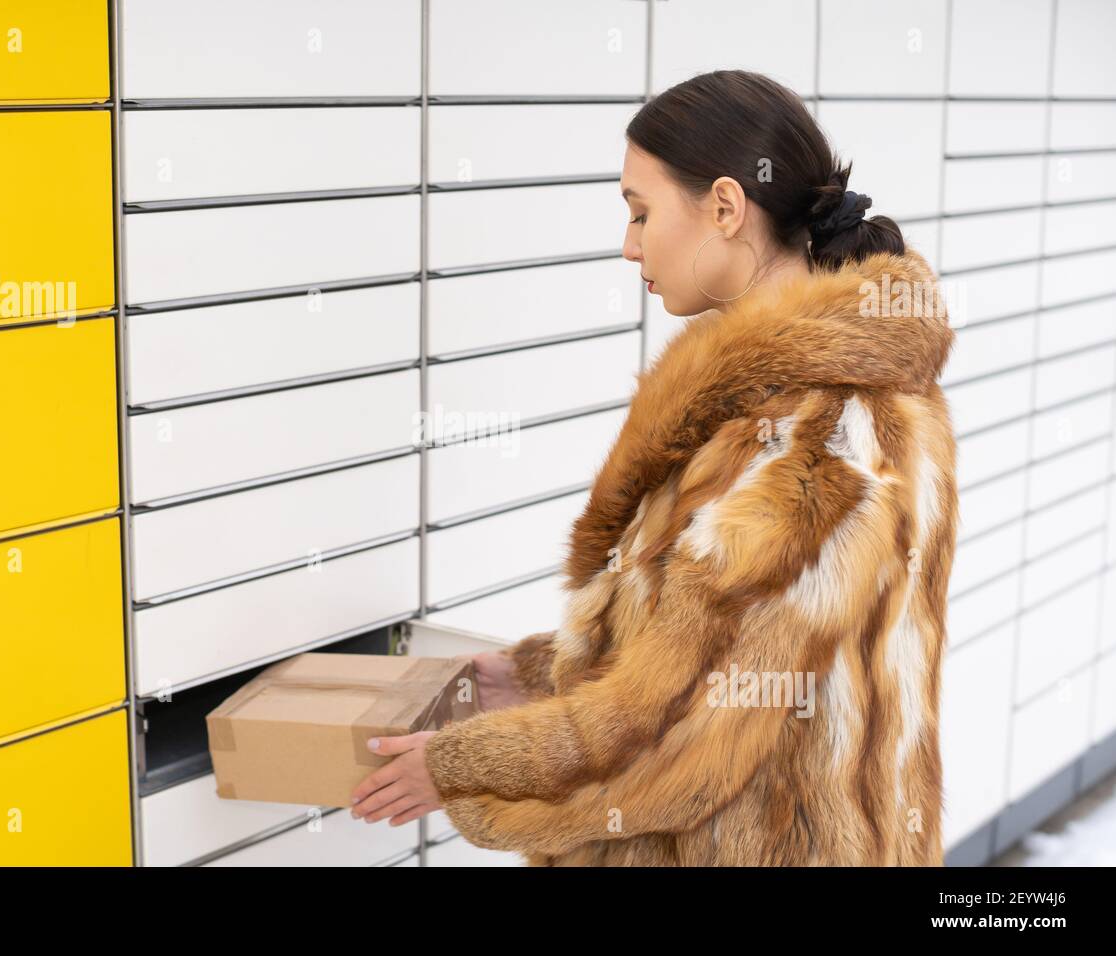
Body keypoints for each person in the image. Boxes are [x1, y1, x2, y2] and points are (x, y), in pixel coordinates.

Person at [349, 69, 958, 866]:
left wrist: (465, 767)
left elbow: (685, 745)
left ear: (727, 207)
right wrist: (540, 672)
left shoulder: (817, 440)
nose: (629, 244)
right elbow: (704, 645)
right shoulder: (791, 403)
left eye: (641, 212)